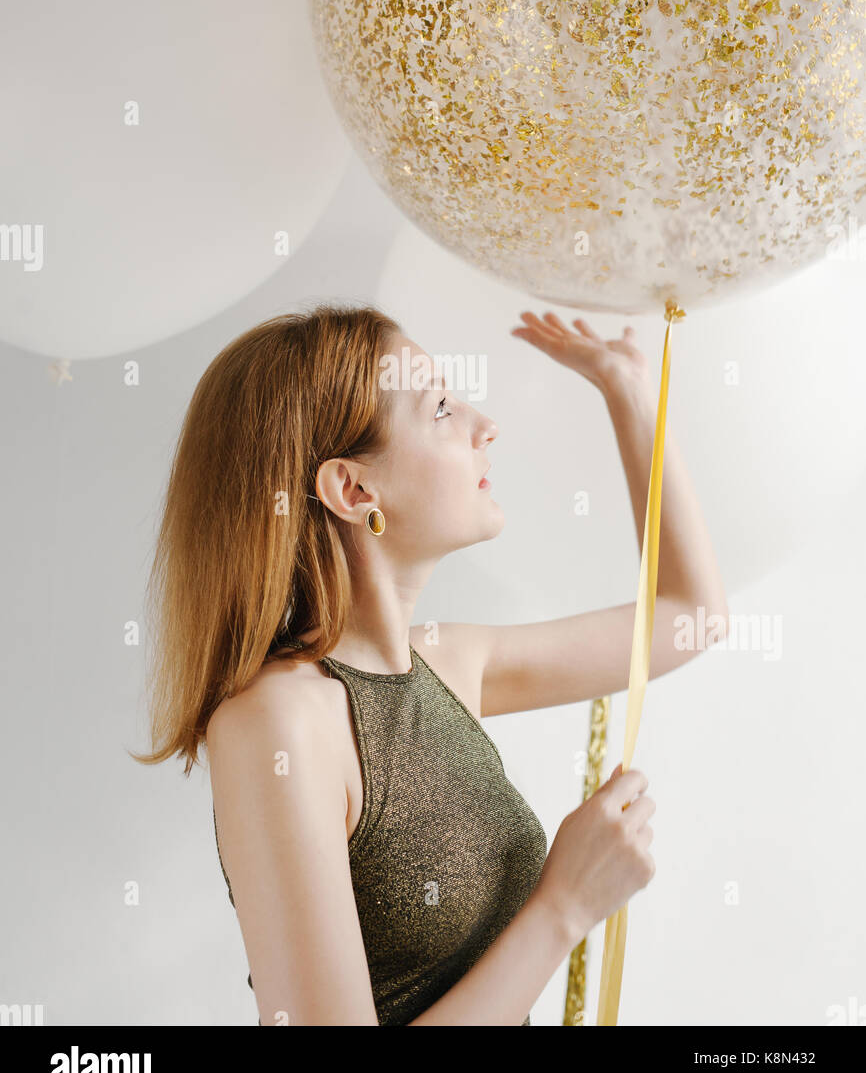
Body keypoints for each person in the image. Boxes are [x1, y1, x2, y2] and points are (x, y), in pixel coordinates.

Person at [134, 302, 728, 1024]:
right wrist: (562, 908)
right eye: (442, 407)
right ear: (354, 490)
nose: (486, 426)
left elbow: (691, 619)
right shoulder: (278, 722)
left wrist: (628, 391)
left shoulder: (447, 662)